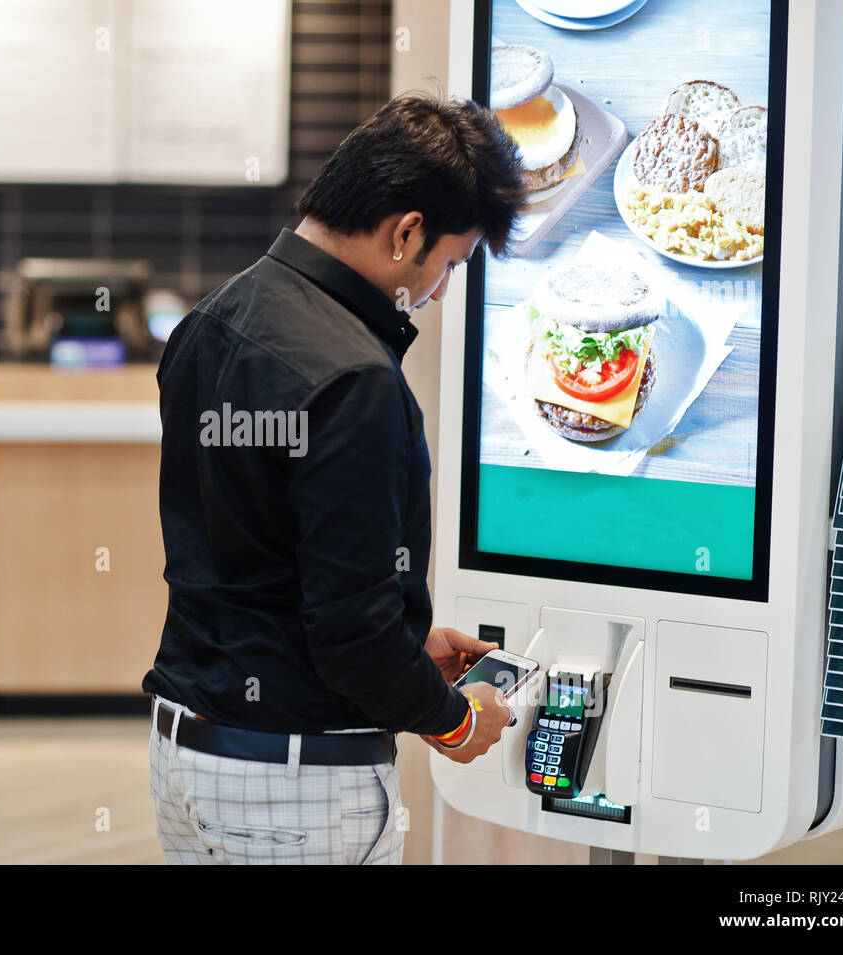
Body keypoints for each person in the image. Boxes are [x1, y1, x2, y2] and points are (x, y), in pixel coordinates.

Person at [142, 91, 529, 864]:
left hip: (186, 757)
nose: (441, 290)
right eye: (451, 263)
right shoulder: (355, 377)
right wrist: (453, 717)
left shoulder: (211, 318)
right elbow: (349, 637)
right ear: (407, 231)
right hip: (295, 787)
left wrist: (405, 643)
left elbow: (261, 561)